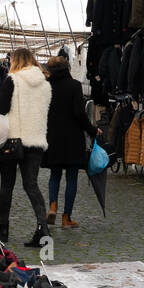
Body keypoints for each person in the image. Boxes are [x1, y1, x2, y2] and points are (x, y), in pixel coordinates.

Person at [0, 48, 52, 246]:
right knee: (32, 185)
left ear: (15, 61)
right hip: (35, 140)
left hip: (13, 139)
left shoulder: (13, 80)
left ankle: (3, 232)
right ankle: (43, 230)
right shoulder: (45, 84)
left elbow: (2, 109)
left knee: (7, 185)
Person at [43, 54, 98, 228]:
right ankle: (66, 217)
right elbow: (79, 113)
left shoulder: (46, 87)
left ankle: (52, 205)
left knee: (55, 175)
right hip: (72, 137)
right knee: (72, 178)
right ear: (67, 68)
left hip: (52, 136)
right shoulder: (74, 86)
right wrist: (92, 130)